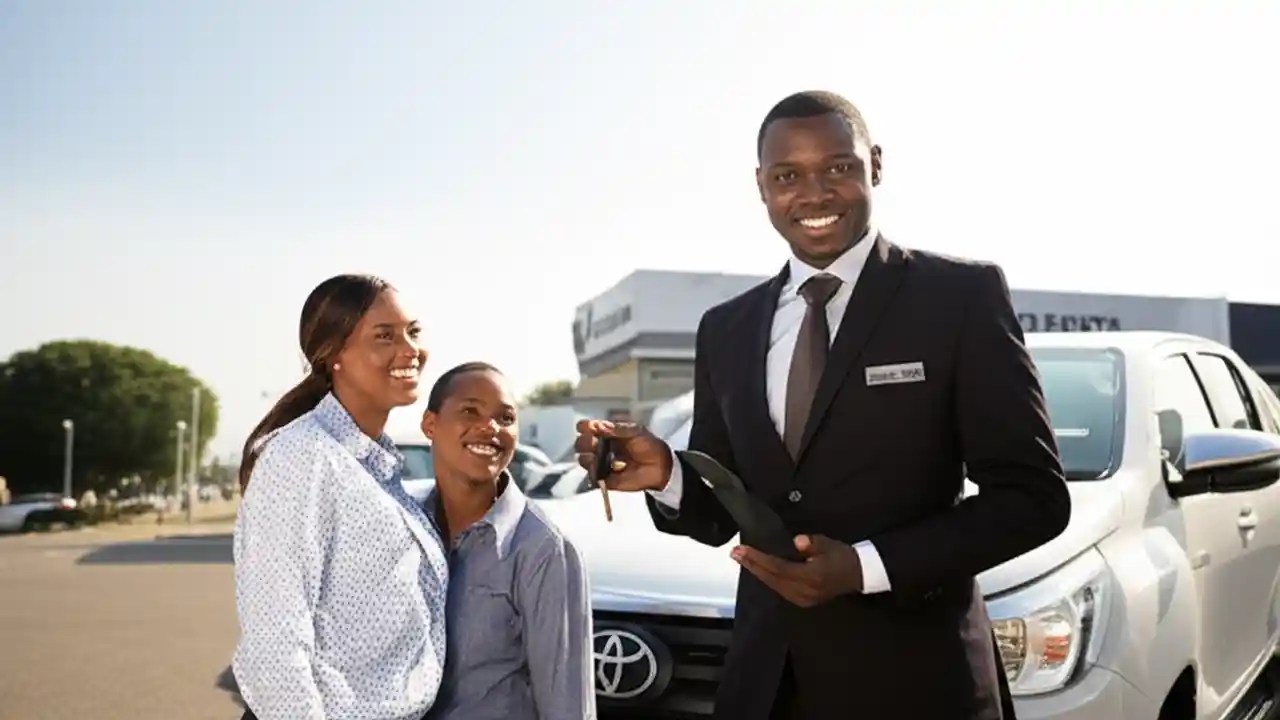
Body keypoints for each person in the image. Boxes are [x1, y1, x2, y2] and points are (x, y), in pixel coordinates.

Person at [573, 90, 1071, 720]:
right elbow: (722, 515)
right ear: (761, 186)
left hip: (918, 684)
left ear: (875, 165)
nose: (813, 194)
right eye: (787, 176)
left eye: (837, 167)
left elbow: (1032, 500)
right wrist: (667, 474)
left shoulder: (959, 298)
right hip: (766, 686)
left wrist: (863, 568)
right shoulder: (726, 329)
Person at [232, 274, 449, 720]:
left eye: (413, 331)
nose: (409, 349)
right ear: (333, 355)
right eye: (384, 336)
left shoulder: (374, 465)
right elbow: (274, 643)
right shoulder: (302, 457)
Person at [420, 362, 594, 720]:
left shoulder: (543, 549)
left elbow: (567, 706)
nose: (491, 428)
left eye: (506, 418)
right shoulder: (404, 525)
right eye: (470, 411)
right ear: (430, 424)